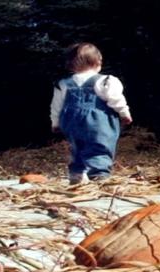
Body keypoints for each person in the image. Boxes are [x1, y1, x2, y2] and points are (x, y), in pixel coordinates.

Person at [50, 42, 133, 185]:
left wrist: (55, 122)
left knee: (76, 146)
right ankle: (99, 176)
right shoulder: (106, 81)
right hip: (98, 121)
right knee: (99, 146)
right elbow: (115, 99)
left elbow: (56, 106)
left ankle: (76, 174)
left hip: (70, 121)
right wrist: (124, 113)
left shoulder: (63, 84)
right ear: (98, 61)